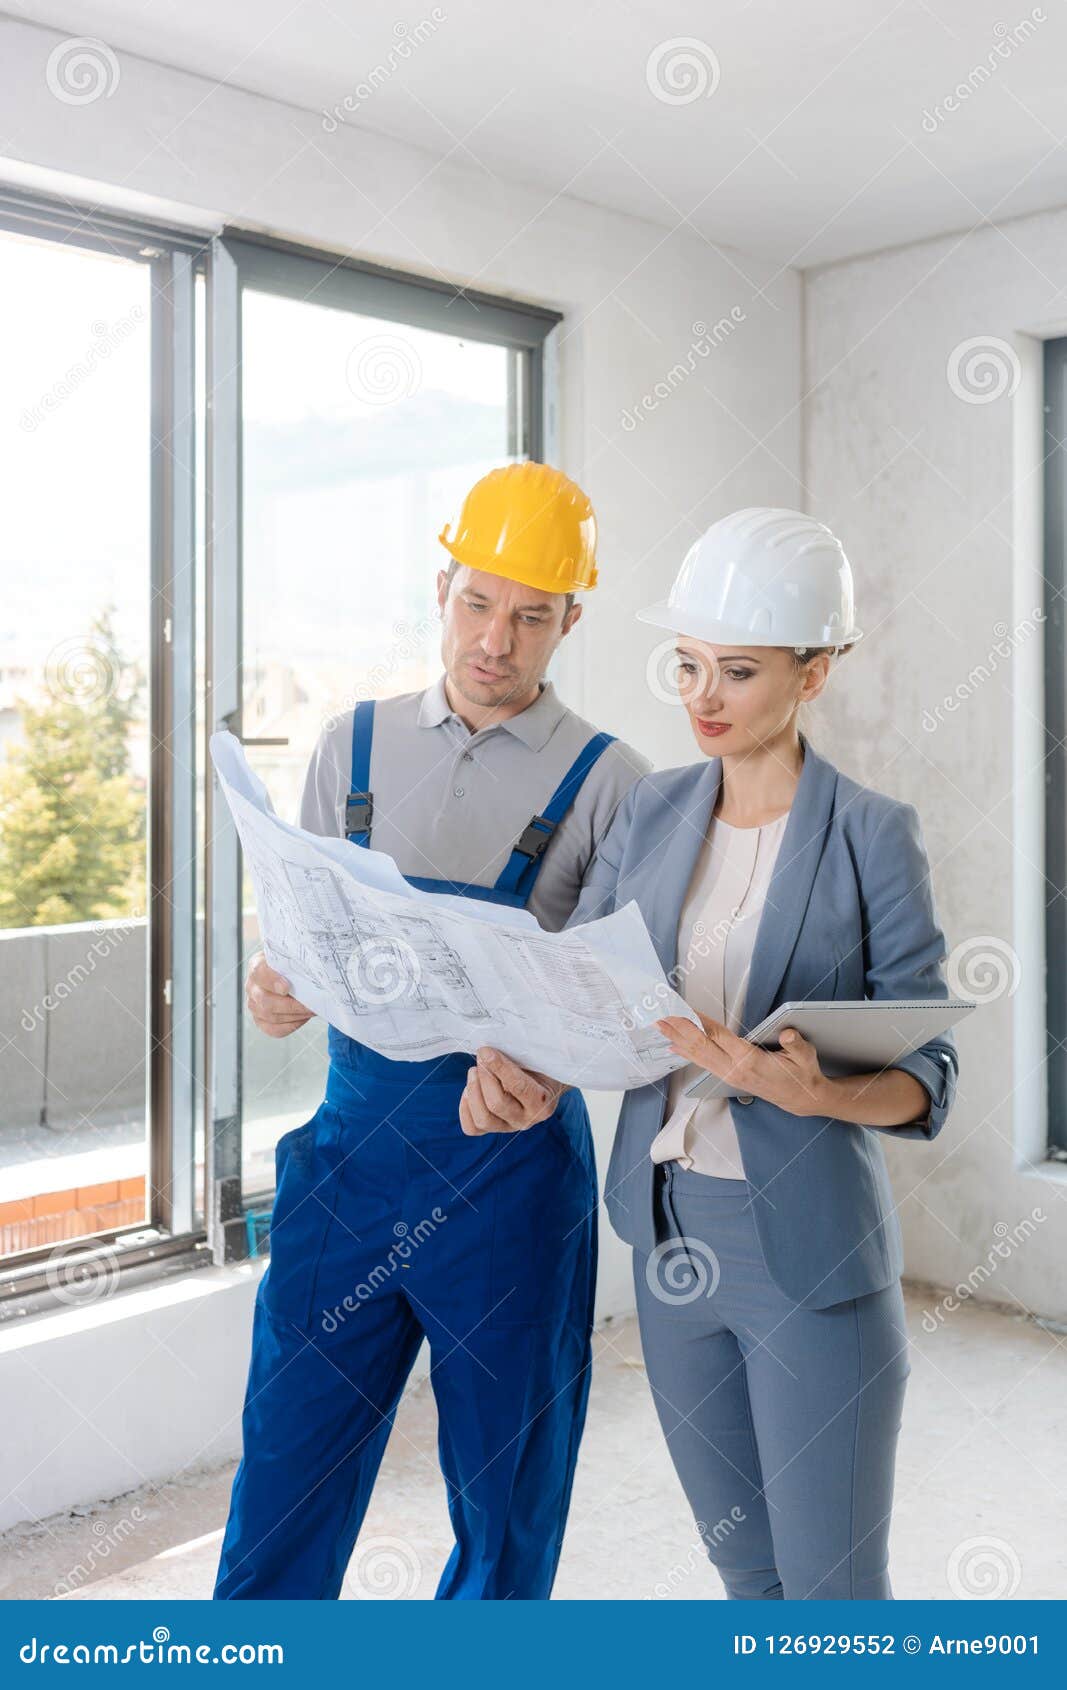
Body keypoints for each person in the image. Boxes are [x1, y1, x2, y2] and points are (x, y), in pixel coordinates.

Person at [460, 506, 960, 1601]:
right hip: (666, 1235)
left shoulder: (870, 833)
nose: (701, 696)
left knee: (830, 1590)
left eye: (736, 671)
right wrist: (523, 1070)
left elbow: (929, 1072)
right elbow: (583, 985)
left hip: (805, 1252)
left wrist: (817, 1092)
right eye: (687, 665)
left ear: (813, 673)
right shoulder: (652, 808)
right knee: (744, 1573)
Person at [213, 462, 649, 1600]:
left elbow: (618, 1001)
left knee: (506, 1502)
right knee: (286, 1474)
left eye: (531, 617)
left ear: (569, 621)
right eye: (477, 602)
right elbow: (299, 943)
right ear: (441, 587)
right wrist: (275, 986)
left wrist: (550, 1067)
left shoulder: (613, 784)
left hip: (507, 1181)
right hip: (347, 1167)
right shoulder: (346, 746)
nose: (495, 641)